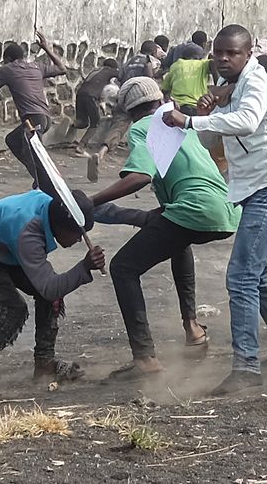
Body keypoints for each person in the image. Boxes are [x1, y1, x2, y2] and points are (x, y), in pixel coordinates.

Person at [162, 24, 267, 396]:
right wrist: (212, 107)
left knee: (241, 276)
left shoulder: (257, 84)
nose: (223, 59)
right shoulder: (237, 88)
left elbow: (247, 121)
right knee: (257, 275)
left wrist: (190, 119)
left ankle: (246, 368)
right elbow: (222, 129)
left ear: (247, 56)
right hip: (261, 190)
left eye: (232, 53)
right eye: (219, 52)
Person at [91, 78, 238, 379]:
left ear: (129, 112)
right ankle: (193, 329)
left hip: (194, 208)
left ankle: (145, 359)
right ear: (161, 100)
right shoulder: (181, 121)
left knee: (123, 267)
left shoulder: (144, 128)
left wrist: (91, 201)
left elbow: (139, 178)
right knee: (175, 237)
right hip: (225, 209)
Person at [0, 189, 104, 400]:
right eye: (77, 234)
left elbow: (105, 209)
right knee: (14, 310)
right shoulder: (27, 232)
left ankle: (45, 365)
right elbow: (49, 287)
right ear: (60, 226)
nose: (79, 240)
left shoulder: (54, 207)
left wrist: (141, 218)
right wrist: (84, 267)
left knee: (51, 296)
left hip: (0, 251)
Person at [0, 32, 67, 182]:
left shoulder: (7, 70)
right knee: (12, 140)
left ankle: (45, 182)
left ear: (6, 59)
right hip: (44, 118)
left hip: (32, 119)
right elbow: (62, 68)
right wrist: (46, 48)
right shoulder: (37, 66)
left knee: (37, 156)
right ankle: (39, 177)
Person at [86, 41, 163, 182]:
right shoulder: (148, 61)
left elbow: (120, 77)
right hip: (143, 100)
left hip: (126, 96)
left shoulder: (129, 61)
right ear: (152, 52)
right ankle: (144, 168)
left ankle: (100, 153)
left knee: (117, 129)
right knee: (148, 132)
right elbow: (149, 77)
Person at [73, 58, 119, 156]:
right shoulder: (110, 71)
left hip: (80, 94)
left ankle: (72, 126)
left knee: (83, 122)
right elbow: (120, 75)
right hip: (91, 97)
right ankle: (81, 147)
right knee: (95, 123)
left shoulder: (95, 71)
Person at [161, 43, 212, 115]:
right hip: (198, 106)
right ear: (199, 58)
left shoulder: (174, 66)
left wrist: (169, 101)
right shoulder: (202, 64)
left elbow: (165, 89)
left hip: (177, 108)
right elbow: (214, 64)